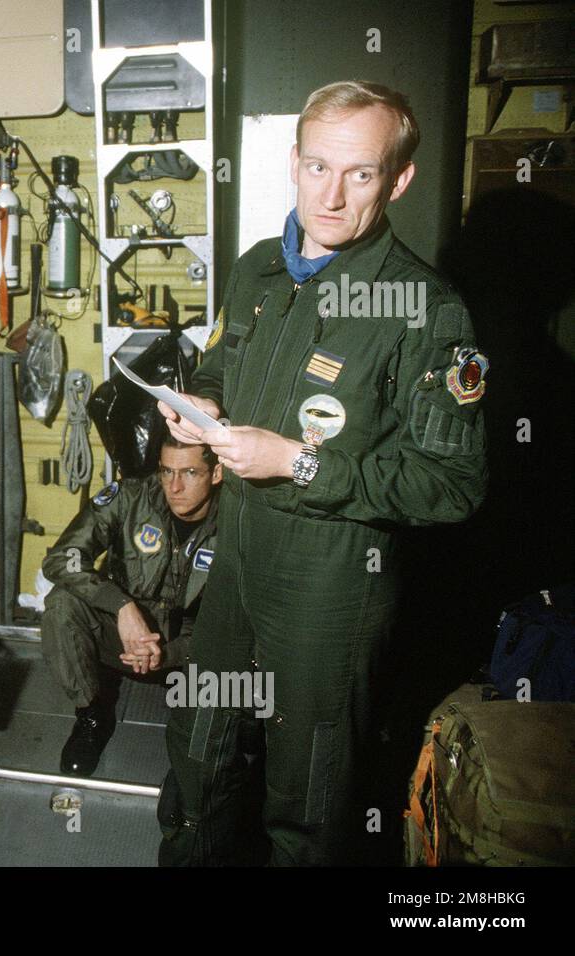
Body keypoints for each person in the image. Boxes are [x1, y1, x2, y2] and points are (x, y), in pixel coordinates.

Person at [155, 81, 489, 865]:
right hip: (236, 560)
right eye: (316, 167)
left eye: (360, 174)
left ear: (398, 180)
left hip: (333, 582)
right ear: (294, 162)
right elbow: (222, 363)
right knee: (200, 753)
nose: (331, 195)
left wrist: (297, 461)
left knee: (307, 800)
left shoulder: (427, 310)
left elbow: (453, 484)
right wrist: (199, 404)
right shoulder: (259, 271)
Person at [42, 437, 221, 777]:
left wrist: (171, 654)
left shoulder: (240, 521)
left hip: (196, 650)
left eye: (190, 472)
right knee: (62, 603)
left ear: (216, 473)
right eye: (167, 471)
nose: (175, 486)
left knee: (208, 759)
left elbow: (246, 617)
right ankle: (91, 714)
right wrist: (121, 606)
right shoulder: (129, 497)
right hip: (125, 641)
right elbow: (61, 559)